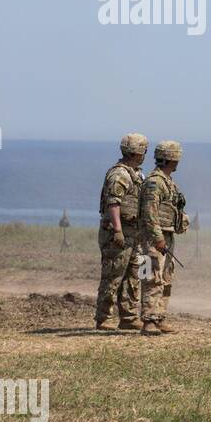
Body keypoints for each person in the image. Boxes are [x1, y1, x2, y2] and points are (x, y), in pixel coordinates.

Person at [95, 133, 148, 330]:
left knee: (133, 275)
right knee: (113, 274)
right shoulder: (120, 175)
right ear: (138, 153)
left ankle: (129, 316)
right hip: (118, 233)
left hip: (133, 233)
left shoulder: (134, 174)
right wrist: (117, 231)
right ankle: (104, 317)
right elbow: (113, 203)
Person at [139, 140, 188, 335]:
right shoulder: (154, 182)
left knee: (166, 277)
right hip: (153, 238)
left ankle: (159, 317)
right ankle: (149, 320)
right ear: (171, 159)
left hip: (166, 235)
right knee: (151, 277)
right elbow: (149, 214)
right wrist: (158, 238)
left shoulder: (167, 182)